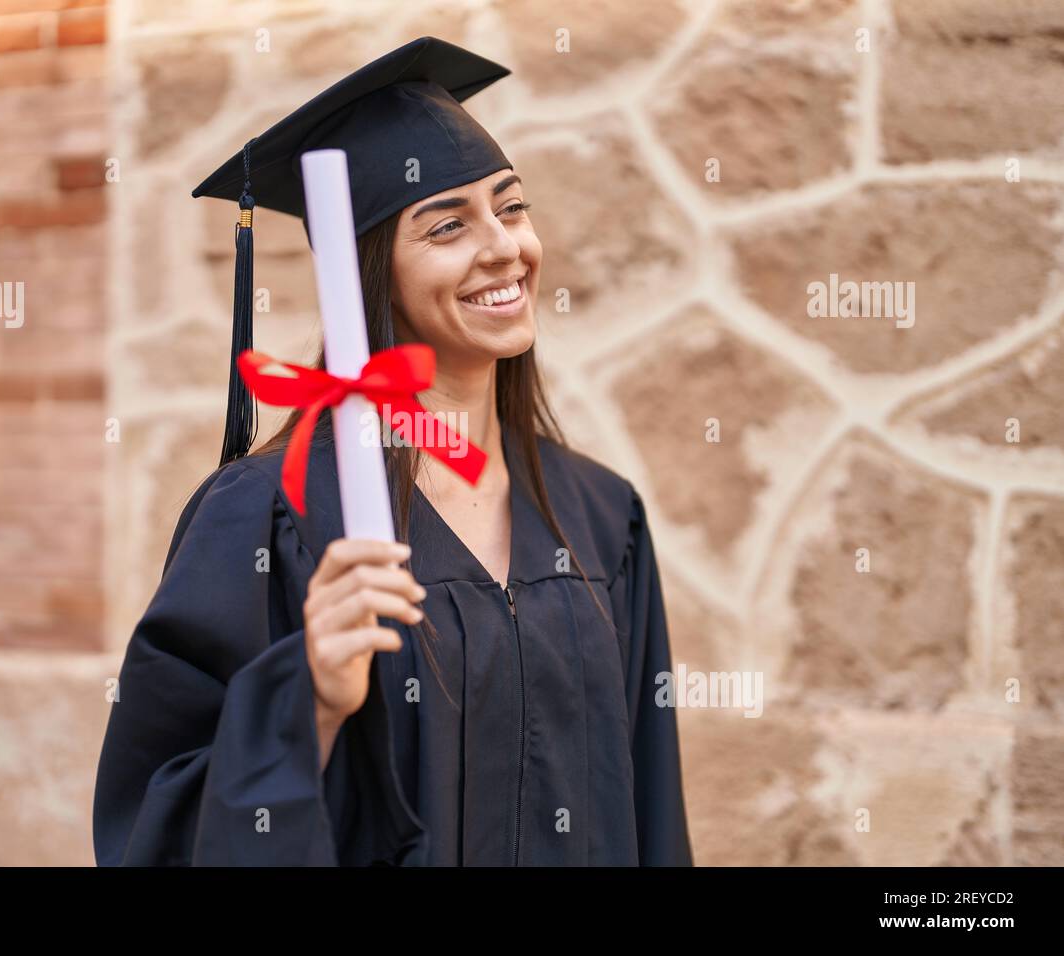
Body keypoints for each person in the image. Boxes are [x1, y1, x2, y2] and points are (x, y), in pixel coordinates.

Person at [92, 35, 693, 866]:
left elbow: (651, 808)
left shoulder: (600, 514)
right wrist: (307, 706)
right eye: (447, 225)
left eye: (511, 206)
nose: (502, 247)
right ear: (376, 275)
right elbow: (158, 814)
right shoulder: (270, 515)